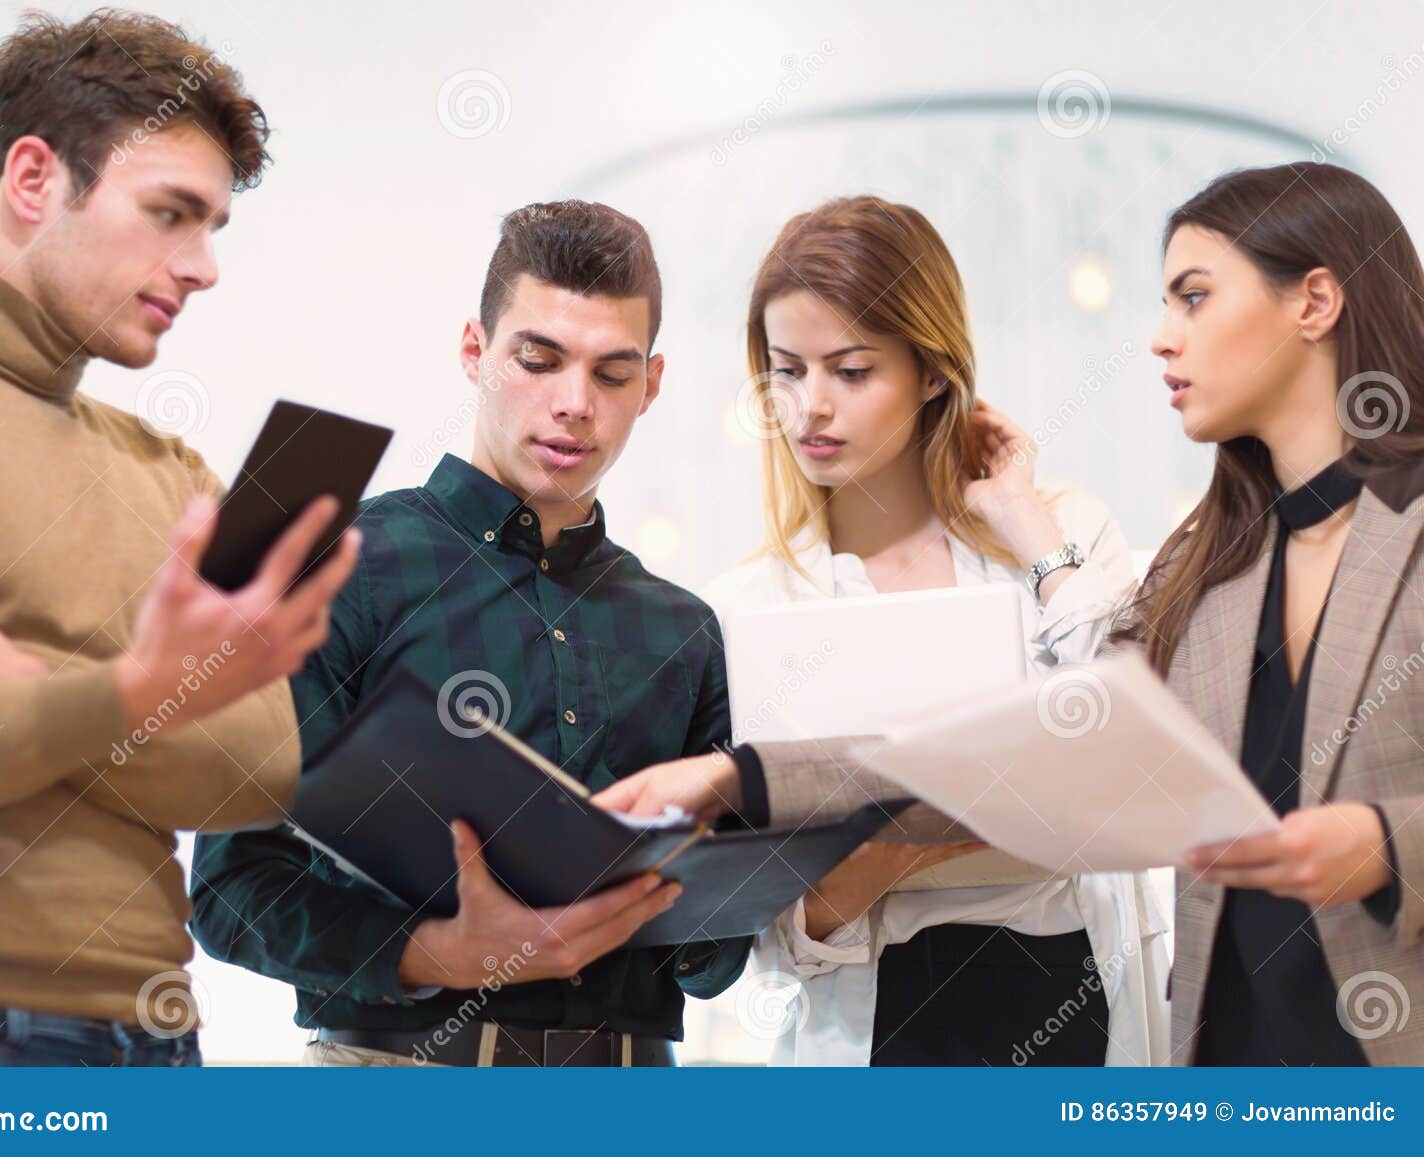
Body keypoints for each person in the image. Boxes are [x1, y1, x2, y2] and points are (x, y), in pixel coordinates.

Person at [599, 163, 1424, 1067]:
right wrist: (746, 786)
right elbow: (1116, 733)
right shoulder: (1219, 553)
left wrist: (1384, 843)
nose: (1158, 339)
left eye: (1192, 297)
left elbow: (1111, 742)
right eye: (787, 372)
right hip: (1194, 1054)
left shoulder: (1105, 538)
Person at [0, 11, 357, 1067]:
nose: (202, 266)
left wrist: (13, 683)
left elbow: (254, 771)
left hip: (160, 1041)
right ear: (33, 180)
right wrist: (131, 692)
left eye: (211, 228)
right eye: (170, 214)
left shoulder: (176, 476)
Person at [190, 200, 749, 1068]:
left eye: (612, 374)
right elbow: (230, 889)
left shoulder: (685, 627)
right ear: (474, 352)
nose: (573, 405)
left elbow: (711, 966)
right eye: (539, 359)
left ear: (653, 383)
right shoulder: (339, 564)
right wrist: (435, 953)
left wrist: (729, 884)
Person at [696, 196, 1168, 1066]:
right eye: (787, 370)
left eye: (851, 369)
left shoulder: (1067, 537)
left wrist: (1025, 525)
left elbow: (1145, 744)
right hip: (876, 1039)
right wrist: (898, 857)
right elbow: (764, 935)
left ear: (932, 371)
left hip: (1078, 1008)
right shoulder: (748, 605)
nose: (810, 408)